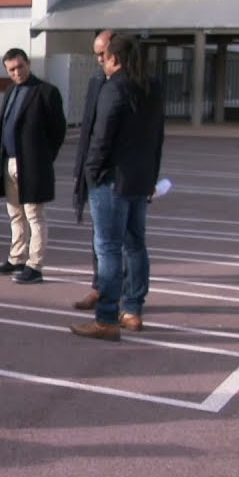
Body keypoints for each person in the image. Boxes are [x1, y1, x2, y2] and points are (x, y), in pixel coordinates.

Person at [70, 34, 165, 341]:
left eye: (105, 56)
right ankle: (133, 310)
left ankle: (106, 318)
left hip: (112, 179)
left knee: (109, 248)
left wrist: (91, 172)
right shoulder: (151, 86)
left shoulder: (114, 87)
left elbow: (101, 137)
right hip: (140, 179)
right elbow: (157, 137)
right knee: (135, 245)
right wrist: (151, 176)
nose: (102, 62)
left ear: (114, 58)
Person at [0, 48, 66, 285]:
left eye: (20, 67)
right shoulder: (11, 91)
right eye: (11, 69)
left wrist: (44, 158)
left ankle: (35, 265)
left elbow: (58, 130)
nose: (17, 72)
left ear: (28, 64)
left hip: (32, 164)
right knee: (15, 214)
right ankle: (17, 258)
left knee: (34, 215)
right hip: (9, 161)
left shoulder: (46, 92)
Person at [70, 29, 113, 310]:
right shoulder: (97, 81)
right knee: (100, 238)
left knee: (127, 242)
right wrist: (80, 168)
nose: (99, 59)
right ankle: (100, 288)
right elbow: (87, 127)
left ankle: (128, 301)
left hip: (123, 176)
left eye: (103, 53)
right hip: (96, 173)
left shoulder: (139, 84)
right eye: (96, 54)